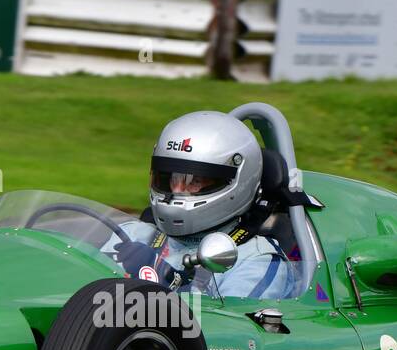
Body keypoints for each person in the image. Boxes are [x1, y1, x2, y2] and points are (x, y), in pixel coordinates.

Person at [108, 111, 299, 299]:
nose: (177, 189)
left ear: (237, 183)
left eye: (195, 181)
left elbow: (230, 329)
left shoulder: (256, 261)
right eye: (170, 178)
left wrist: (162, 278)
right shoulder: (131, 235)